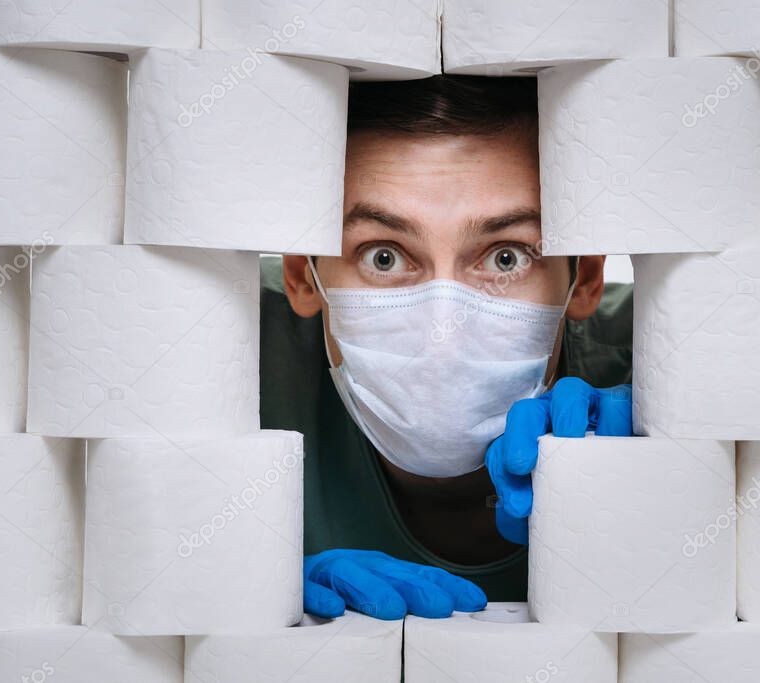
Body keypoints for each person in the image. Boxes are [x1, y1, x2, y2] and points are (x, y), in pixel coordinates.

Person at [260, 75, 633, 621]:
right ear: (301, 274)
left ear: (587, 277)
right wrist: (245, 584)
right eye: (382, 256)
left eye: (506, 257)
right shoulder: (223, 351)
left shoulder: (666, 360)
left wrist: (682, 461)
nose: (443, 327)